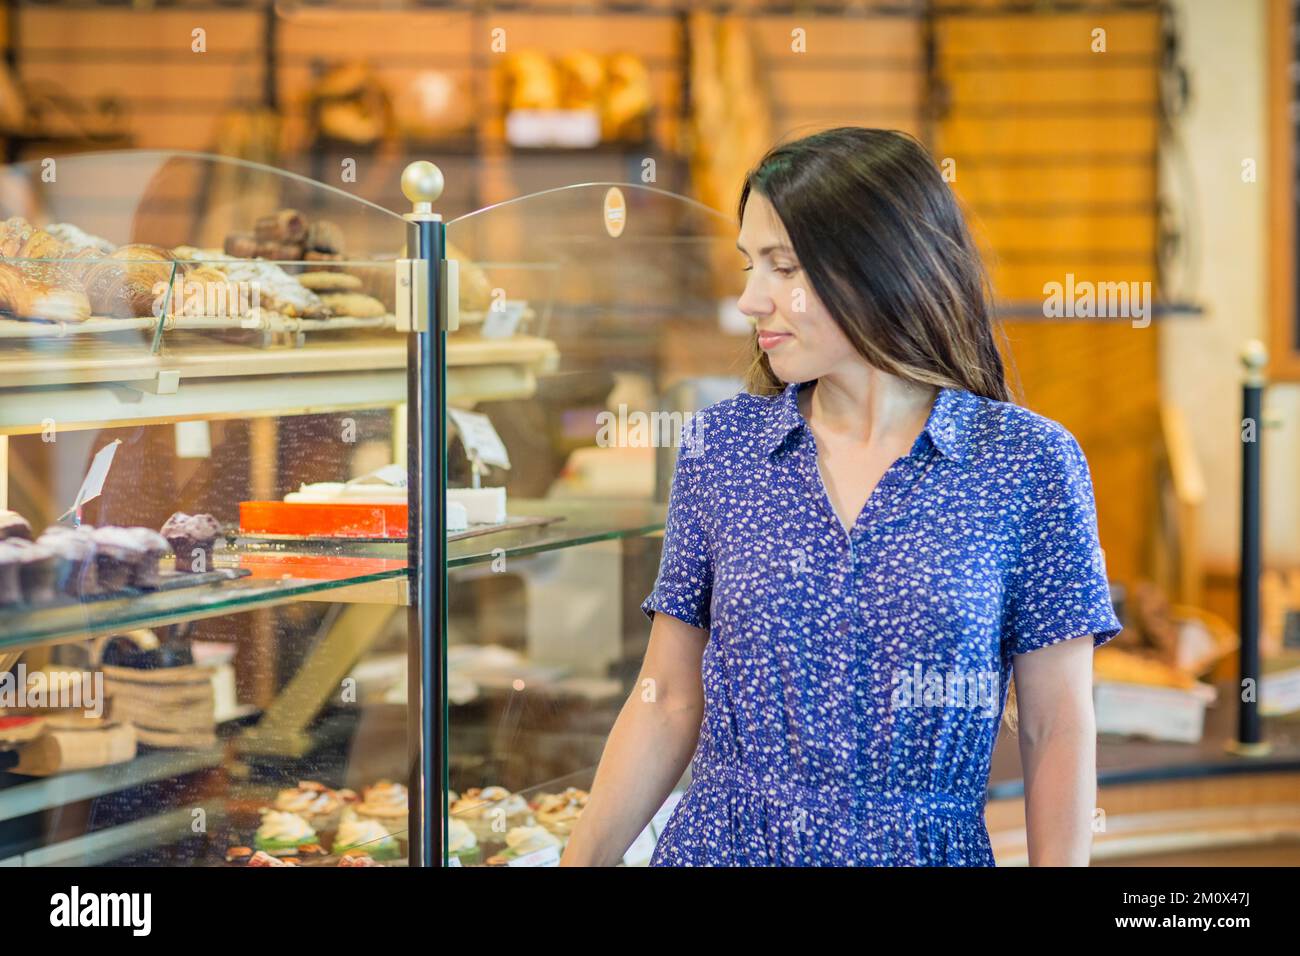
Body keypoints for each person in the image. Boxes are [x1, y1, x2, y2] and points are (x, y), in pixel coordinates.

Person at [559, 127, 1121, 867]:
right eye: (747, 264)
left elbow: (1057, 727)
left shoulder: (1028, 464)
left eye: (781, 265)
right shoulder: (720, 449)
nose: (749, 298)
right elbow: (666, 699)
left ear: (881, 266)